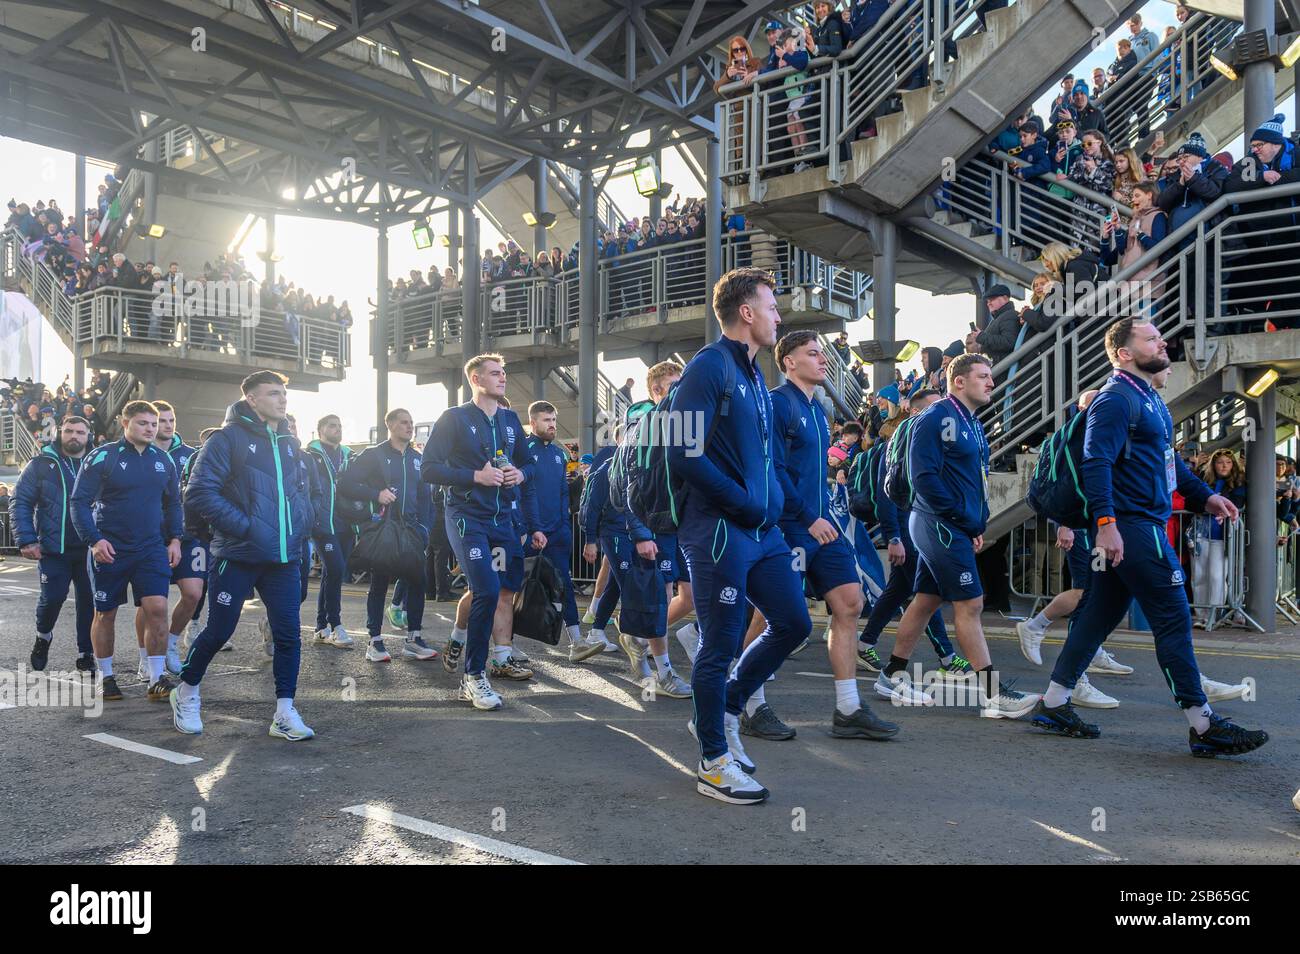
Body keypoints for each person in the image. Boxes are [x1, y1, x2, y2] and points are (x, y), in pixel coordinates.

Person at [1027, 319, 1268, 756]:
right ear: (1123, 353)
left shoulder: (1149, 400)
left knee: (1098, 616)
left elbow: (1168, 464)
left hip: (1132, 528)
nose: (1163, 343)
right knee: (1174, 619)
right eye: (1151, 339)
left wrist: (1206, 498)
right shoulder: (1116, 398)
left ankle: (1055, 702)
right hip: (1133, 528)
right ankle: (1203, 724)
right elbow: (1096, 461)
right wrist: (1106, 525)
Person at [668, 268, 815, 805]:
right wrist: (743, 500)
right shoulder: (707, 367)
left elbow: (766, 457)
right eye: (772, 307)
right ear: (747, 313)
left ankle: (726, 709)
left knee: (794, 622)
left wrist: (774, 505)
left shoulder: (754, 375)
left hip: (762, 530)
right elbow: (681, 452)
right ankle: (712, 761)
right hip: (718, 531)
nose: (780, 316)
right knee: (721, 642)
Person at [876, 354, 1040, 718]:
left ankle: (892, 674)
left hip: (952, 526)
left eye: (990, 376)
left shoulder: (972, 422)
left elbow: (972, 481)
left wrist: (975, 523)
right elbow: (925, 478)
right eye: (983, 376)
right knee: (971, 605)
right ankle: (995, 694)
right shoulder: (936, 417)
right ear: (959, 381)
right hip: (938, 524)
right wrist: (963, 520)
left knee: (925, 601)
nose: (991, 382)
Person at [169, 371, 317, 741]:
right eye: (273, 394)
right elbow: (199, 493)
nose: (283, 400)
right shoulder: (227, 439)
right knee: (219, 630)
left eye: (284, 393)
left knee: (288, 636)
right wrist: (248, 527)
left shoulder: (288, 442)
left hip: (282, 559)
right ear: (251, 399)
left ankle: (284, 711)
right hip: (238, 554)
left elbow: (299, 495)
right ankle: (186, 690)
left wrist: (299, 530)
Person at [770, 330, 898, 740]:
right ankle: (747, 700)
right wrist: (808, 517)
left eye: (822, 353)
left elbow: (812, 473)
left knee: (849, 602)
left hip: (821, 524)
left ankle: (848, 709)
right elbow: (773, 470)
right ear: (789, 361)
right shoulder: (778, 404)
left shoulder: (817, 409)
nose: (823, 360)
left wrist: (821, 513)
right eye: (812, 353)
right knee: (772, 618)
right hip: (790, 527)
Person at [422, 354, 532, 710]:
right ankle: (473, 677)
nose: (503, 379)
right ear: (475, 378)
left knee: (497, 590)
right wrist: (476, 476)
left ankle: (458, 636)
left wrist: (520, 473)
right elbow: (428, 469)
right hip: (467, 517)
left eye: (504, 373)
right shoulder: (453, 419)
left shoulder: (511, 418)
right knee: (485, 589)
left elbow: (526, 461)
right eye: (496, 373)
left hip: (503, 519)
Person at [70, 401, 182, 703]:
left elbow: (173, 503)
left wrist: (175, 540)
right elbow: (79, 502)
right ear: (125, 423)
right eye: (142, 423)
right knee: (105, 613)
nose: (150, 428)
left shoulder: (164, 461)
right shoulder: (103, 456)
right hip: (110, 548)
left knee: (158, 609)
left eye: (153, 424)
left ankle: (157, 679)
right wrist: (94, 541)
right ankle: (105, 677)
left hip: (151, 548)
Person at [855, 390, 968, 681]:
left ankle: (865, 643)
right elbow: (886, 496)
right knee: (925, 597)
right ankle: (947, 656)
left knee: (899, 593)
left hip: (916, 530)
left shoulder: (924, 444)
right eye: (933, 407)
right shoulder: (898, 444)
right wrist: (893, 537)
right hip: (907, 534)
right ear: (918, 412)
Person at [339, 408, 435, 662]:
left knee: (418, 581)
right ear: (390, 425)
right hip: (383, 529)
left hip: (412, 530)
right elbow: (346, 484)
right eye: (404, 422)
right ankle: (374, 641)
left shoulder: (417, 458)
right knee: (380, 583)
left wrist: (425, 528)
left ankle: (413, 638)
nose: (409, 426)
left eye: (411, 422)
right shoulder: (374, 455)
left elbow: (426, 498)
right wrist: (376, 494)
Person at [12, 416, 95, 673]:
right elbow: (20, 501)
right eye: (68, 430)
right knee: (53, 599)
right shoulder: (41, 463)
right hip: (53, 548)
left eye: (80, 432)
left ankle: (86, 653)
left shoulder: (99, 463)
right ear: (60, 433)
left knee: (89, 602)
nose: (74, 436)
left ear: (88, 435)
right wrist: (26, 539)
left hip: (91, 548)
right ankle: (43, 636)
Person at [130, 401, 204, 678]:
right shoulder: (138, 454)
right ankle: (144, 657)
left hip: (187, 534)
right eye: (161, 420)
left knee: (194, 593)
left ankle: (171, 643)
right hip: (152, 537)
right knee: (150, 603)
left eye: (171, 420)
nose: (168, 425)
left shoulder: (191, 454)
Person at [520, 400, 592, 660]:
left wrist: (563, 524)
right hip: (530, 534)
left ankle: (577, 641)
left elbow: (563, 492)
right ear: (533, 422)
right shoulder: (524, 450)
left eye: (553, 419)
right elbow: (520, 492)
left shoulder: (559, 454)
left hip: (558, 533)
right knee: (514, 591)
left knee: (563, 584)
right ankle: (504, 645)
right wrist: (529, 529)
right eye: (546, 420)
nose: (552, 425)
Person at [305, 414, 356, 648]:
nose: (337, 429)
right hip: (323, 524)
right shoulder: (311, 456)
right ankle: (335, 624)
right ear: (320, 429)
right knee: (335, 568)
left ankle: (320, 627)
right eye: (332, 426)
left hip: (346, 523)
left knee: (332, 572)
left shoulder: (349, 455)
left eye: (339, 425)